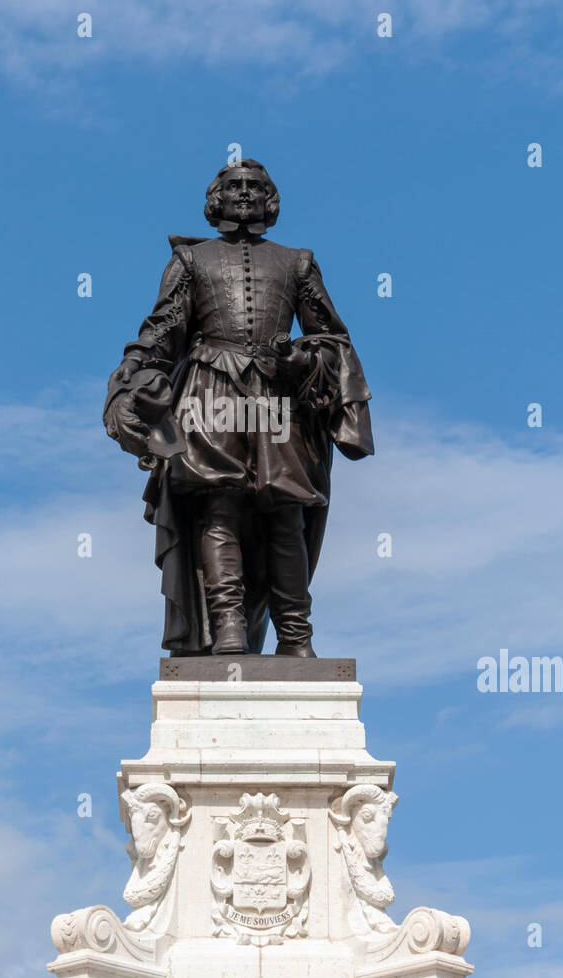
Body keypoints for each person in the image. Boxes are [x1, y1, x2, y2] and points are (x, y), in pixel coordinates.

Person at [103, 159, 373, 656]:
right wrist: (133, 373)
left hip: (277, 397)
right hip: (210, 390)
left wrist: (303, 356)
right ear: (216, 199)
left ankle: (296, 635)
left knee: (285, 511)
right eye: (233, 186)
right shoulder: (191, 261)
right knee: (218, 504)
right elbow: (162, 331)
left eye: (255, 186)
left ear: (269, 199)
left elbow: (333, 337)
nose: (244, 193)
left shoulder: (298, 261)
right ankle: (227, 626)